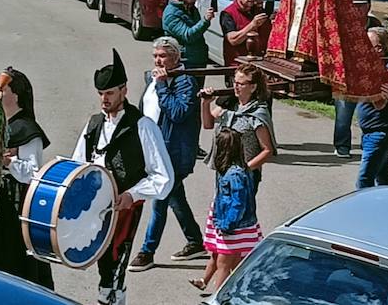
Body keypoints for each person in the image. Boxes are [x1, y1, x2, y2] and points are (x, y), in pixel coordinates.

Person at [73, 50, 173, 305]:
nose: (104, 99)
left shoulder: (142, 126)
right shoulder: (94, 124)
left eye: (109, 93)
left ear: (124, 91)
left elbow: (163, 177)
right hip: (92, 208)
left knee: (114, 269)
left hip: (124, 209)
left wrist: (132, 194)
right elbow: (78, 164)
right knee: (100, 266)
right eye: (100, 94)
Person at [130, 38, 205, 272]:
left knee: (160, 199)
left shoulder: (186, 82)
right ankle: (195, 241)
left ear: (176, 56)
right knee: (175, 197)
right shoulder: (153, 78)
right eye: (155, 56)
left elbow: (178, 112)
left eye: (162, 56)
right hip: (154, 150)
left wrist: (162, 86)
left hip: (174, 153)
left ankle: (147, 252)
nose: (157, 60)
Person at [0, 67, 54, 289]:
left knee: (12, 259)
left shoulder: (27, 130)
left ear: (16, 95)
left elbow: (33, 173)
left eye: (0, 89)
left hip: (13, 204)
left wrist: (8, 162)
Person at [192, 129, 260, 295]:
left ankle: (219, 297)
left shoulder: (234, 174)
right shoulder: (234, 170)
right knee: (226, 259)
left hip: (233, 225)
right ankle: (230, 291)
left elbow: (238, 203)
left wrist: (228, 224)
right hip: (230, 222)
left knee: (224, 263)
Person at [201, 63, 276, 190]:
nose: (235, 86)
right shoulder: (228, 104)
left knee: (239, 203)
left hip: (245, 176)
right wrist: (205, 103)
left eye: (241, 84)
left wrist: (245, 170)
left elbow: (267, 150)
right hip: (223, 170)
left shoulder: (257, 113)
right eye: (234, 82)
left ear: (253, 87)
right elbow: (208, 124)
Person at [354, 27, 388, 189]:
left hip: (380, 133)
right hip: (369, 131)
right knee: (384, 177)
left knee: (364, 181)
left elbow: (380, 103)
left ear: (379, 49)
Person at [162, 0, 214, 73]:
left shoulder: (191, 8)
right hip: (184, 62)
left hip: (198, 59)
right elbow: (188, 35)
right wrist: (205, 21)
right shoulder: (171, 14)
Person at [219, 0, 269, 68]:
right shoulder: (228, 13)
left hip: (259, 63)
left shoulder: (258, 10)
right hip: (237, 65)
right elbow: (233, 40)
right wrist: (252, 25)